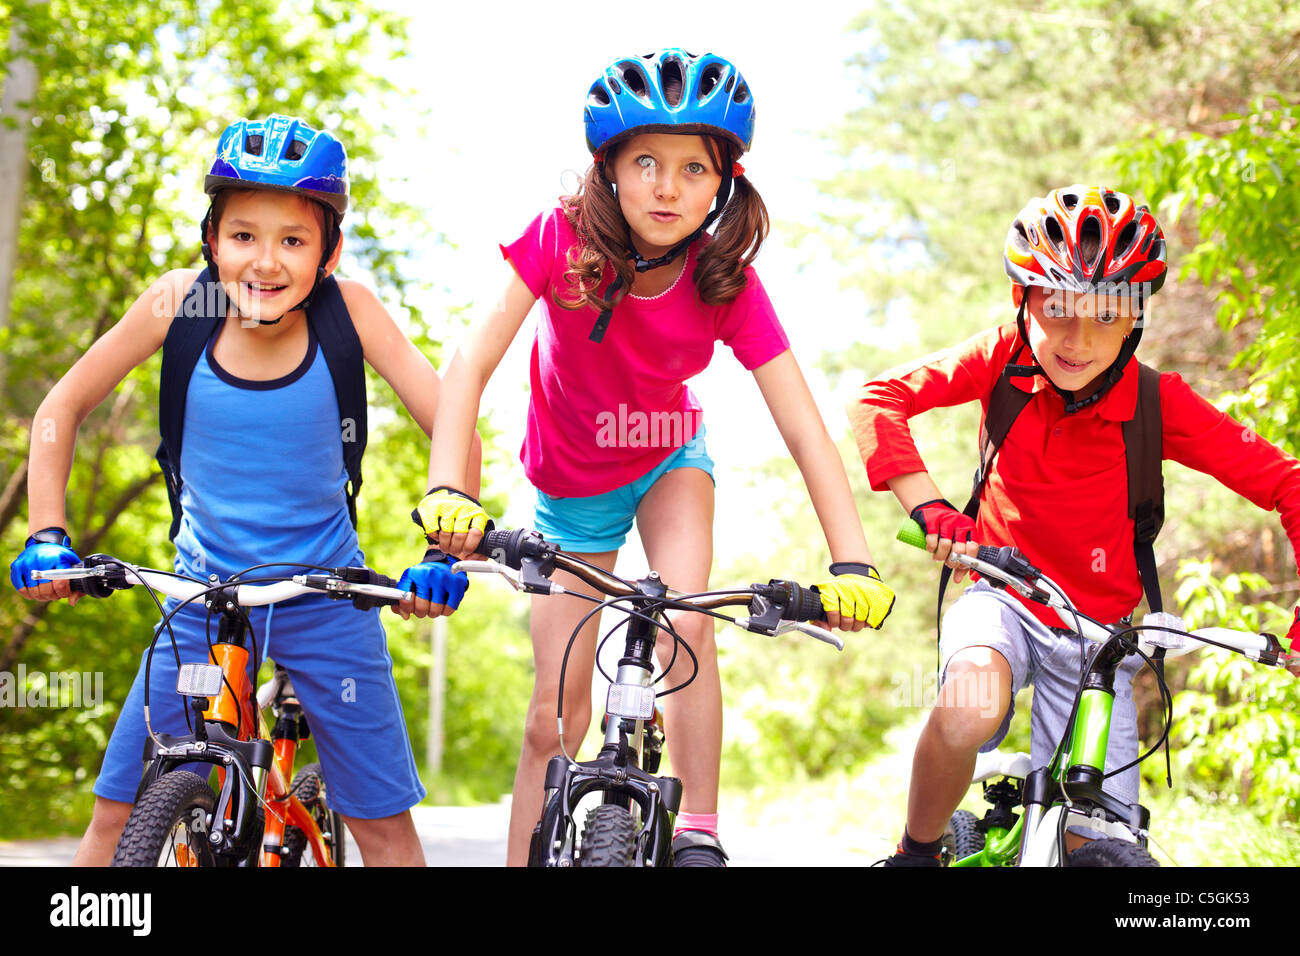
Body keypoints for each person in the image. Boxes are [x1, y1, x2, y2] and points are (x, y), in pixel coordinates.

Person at [415, 49, 897, 866]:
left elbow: (804, 426)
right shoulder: (559, 239)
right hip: (569, 485)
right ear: (608, 168)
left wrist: (851, 560)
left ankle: (701, 832)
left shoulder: (725, 281)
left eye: (691, 168)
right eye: (645, 162)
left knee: (685, 621)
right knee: (552, 712)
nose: (667, 187)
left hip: (668, 458)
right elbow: (469, 363)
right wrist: (445, 491)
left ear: (724, 184)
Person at [10, 114, 475, 866]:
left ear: (329, 252)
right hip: (201, 599)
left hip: (327, 599)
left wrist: (442, 549)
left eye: (292, 240)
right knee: (115, 816)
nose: (264, 261)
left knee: (383, 827)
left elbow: (452, 417)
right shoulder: (176, 304)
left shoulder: (349, 313)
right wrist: (47, 534)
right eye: (243, 236)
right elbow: (61, 409)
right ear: (211, 238)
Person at [848, 184, 1300, 865]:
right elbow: (877, 397)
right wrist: (930, 508)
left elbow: (1285, 484)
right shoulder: (1001, 359)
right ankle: (916, 851)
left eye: (1106, 316)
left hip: (1102, 638)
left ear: (1134, 321)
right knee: (968, 708)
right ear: (1022, 302)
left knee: (1101, 838)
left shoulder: (1157, 401)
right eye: (1057, 310)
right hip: (1004, 596)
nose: (1078, 340)